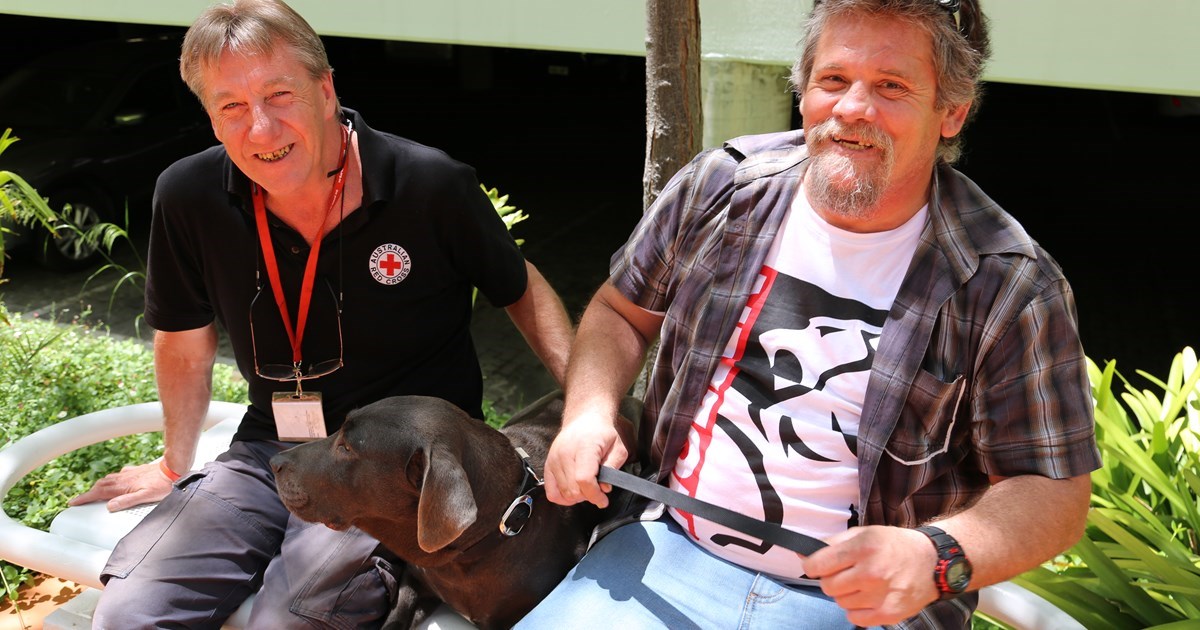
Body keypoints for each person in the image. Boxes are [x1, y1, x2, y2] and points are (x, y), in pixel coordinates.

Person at [525, 1, 1101, 628]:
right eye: (833, 79)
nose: (852, 108)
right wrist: (587, 414)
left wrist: (935, 559)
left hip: (863, 610)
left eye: (891, 86)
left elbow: (1053, 491)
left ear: (952, 112)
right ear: (803, 92)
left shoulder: (1010, 283)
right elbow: (621, 310)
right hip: (666, 548)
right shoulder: (721, 187)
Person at [69, 0, 574, 627]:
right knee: (132, 611)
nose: (261, 130)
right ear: (211, 119)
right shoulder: (188, 195)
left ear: (326, 89)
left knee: (293, 620)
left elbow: (521, 289)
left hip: (394, 470)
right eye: (231, 106)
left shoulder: (428, 182)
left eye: (279, 95)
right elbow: (183, 340)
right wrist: (175, 463)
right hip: (268, 448)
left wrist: (586, 412)